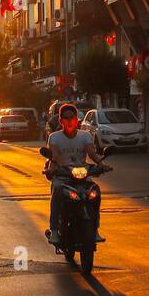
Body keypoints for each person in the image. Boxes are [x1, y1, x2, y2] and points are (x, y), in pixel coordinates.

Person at [45, 103, 105, 246]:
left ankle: (95, 229)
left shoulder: (85, 136)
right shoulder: (54, 137)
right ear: (61, 121)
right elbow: (55, 155)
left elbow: (91, 152)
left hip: (83, 176)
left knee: (95, 192)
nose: (70, 121)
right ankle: (54, 230)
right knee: (58, 190)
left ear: (77, 120)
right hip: (63, 176)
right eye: (66, 118)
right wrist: (54, 169)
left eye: (72, 118)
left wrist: (101, 164)